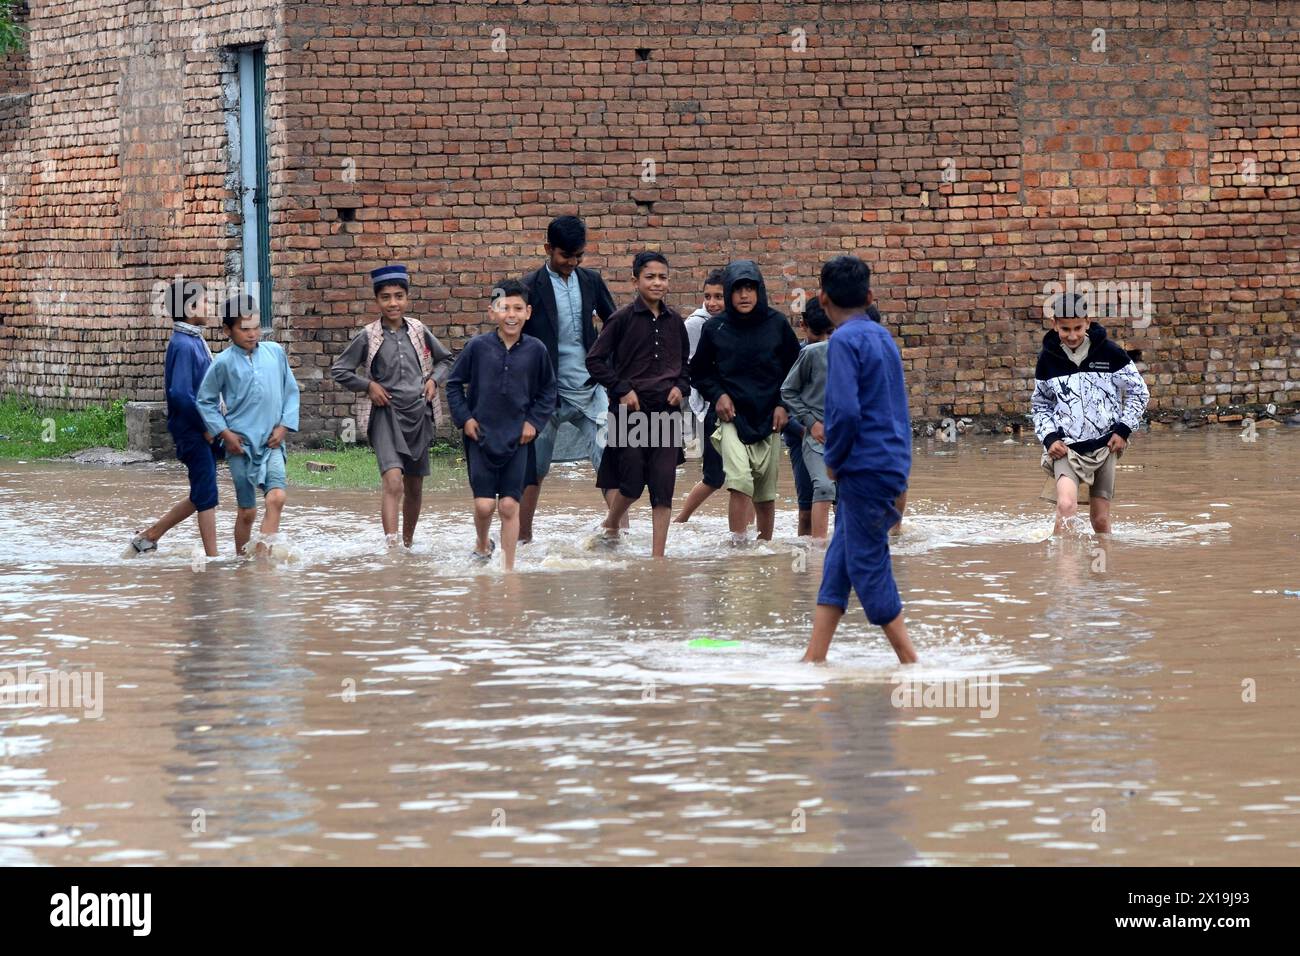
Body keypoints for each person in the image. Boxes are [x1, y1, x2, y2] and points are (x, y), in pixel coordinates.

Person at [801, 256, 917, 665]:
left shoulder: (844, 342)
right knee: (839, 561)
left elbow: (845, 412)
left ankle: (910, 660)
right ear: (869, 297)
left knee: (868, 563)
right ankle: (814, 657)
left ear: (822, 299)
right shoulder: (883, 338)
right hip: (891, 461)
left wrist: (834, 458)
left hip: (863, 467)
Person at [331, 264, 453, 547]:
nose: (393, 303)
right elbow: (341, 370)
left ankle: (407, 543)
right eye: (385, 297)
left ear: (407, 298)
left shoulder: (420, 330)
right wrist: (369, 386)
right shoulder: (368, 336)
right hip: (385, 416)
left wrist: (434, 381)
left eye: (398, 296)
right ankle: (392, 547)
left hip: (419, 414)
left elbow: (446, 360)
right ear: (377, 301)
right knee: (393, 481)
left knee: (414, 484)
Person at [517, 215, 618, 543]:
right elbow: (512, 337)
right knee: (534, 470)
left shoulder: (590, 281)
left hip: (590, 388)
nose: (572, 263)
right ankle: (523, 538)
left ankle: (619, 534)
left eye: (578, 256)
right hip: (544, 395)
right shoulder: (529, 288)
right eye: (565, 256)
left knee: (611, 458)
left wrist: (612, 373)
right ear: (548, 249)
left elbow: (614, 324)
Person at [445, 279, 557, 571]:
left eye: (518, 308)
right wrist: (465, 418)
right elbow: (454, 385)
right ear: (492, 311)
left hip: (518, 439)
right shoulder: (477, 347)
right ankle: (482, 544)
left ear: (528, 312)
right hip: (480, 437)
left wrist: (534, 422)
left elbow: (548, 391)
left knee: (508, 505)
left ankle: (509, 569)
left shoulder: (536, 350)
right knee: (484, 505)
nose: (511, 314)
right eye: (504, 307)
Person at [586, 252, 690, 558]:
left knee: (663, 485)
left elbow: (686, 365)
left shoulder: (676, 323)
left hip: (666, 414)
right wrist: (621, 389)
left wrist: (681, 388)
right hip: (630, 412)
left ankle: (658, 557)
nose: (657, 283)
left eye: (662, 277)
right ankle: (611, 523)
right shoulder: (621, 320)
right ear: (635, 281)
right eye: (650, 277)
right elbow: (594, 360)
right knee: (630, 484)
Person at [688, 260, 800, 543]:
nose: (744, 295)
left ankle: (764, 548)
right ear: (728, 293)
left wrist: (782, 405)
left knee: (765, 492)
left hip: (769, 418)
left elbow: (795, 371)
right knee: (739, 483)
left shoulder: (777, 325)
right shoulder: (715, 328)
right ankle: (738, 550)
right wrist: (718, 395)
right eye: (737, 289)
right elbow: (699, 372)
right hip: (731, 418)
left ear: (759, 290)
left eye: (750, 288)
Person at [1032, 292, 1150, 534]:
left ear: (1088, 321)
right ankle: (1063, 569)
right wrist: (1049, 438)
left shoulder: (1110, 353)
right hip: (1066, 447)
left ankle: (1102, 569)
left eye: (1078, 327)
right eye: (1065, 329)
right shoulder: (1047, 359)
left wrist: (1123, 430)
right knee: (1066, 506)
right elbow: (1040, 404)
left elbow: (1139, 393)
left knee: (1100, 521)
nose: (1072, 335)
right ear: (1055, 324)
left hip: (1105, 445)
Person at [125, 279, 224, 558]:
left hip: (202, 428)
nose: (209, 305)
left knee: (204, 491)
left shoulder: (192, 339)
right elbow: (181, 394)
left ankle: (149, 536)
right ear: (191, 307)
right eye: (205, 301)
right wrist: (206, 427)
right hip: (193, 431)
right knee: (206, 495)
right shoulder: (183, 344)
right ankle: (214, 559)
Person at [196, 293, 301, 558]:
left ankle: (263, 558)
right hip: (240, 446)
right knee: (247, 511)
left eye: (256, 327)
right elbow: (205, 401)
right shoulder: (222, 363)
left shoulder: (275, 352)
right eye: (244, 329)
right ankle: (243, 563)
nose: (252, 334)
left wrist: (284, 427)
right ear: (227, 330)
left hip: (271, 442)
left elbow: (291, 391)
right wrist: (225, 433)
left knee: (276, 497)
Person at [674, 269, 732, 523]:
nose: (712, 303)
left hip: (742, 407)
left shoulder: (738, 322)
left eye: (718, 297)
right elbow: (688, 365)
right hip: (710, 406)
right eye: (707, 296)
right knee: (714, 476)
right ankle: (680, 519)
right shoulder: (697, 324)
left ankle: (750, 535)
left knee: (748, 477)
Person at [781, 298, 836, 539]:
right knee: (806, 506)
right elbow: (785, 397)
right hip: (800, 436)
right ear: (802, 325)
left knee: (840, 499)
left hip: (834, 436)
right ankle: (807, 565)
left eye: (830, 332)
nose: (824, 339)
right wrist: (808, 428)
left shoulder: (841, 352)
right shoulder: (794, 355)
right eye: (818, 333)